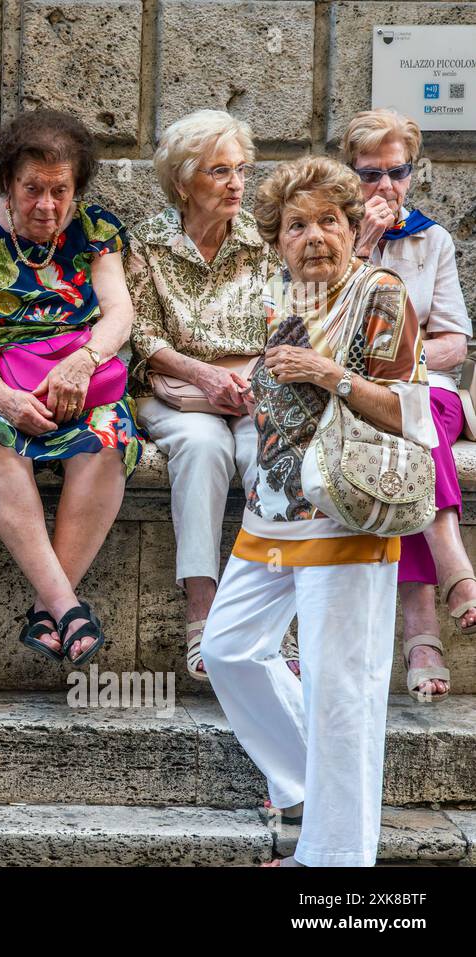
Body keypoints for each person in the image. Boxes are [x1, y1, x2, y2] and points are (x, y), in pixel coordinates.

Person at [201, 156, 436, 867]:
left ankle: (332, 864)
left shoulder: (381, 294)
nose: (313, 237)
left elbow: (418, 413)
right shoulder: (274, 295)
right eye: (296, 225)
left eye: (328, 220)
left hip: (348, 512)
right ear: (276, 239)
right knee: (227, 647)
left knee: (344, 690)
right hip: (270, 512)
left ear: (348, 224)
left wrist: (332, 375)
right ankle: (314, 777)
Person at [0, 108, 143, 668]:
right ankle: (67, 607)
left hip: (82, 376)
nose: (47, 206)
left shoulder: (97, 229)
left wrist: (84, 362)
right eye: (33, 190)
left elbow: (119, 312)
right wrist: (2, 399)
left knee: (108, 439)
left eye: (61, 191)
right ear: (8, 182)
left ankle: (47, 607)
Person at [127, 109, 281, 680]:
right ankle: (202, 611)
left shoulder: (262, 242)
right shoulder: (147, 242)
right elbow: (141, 335)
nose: (237, 183)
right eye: (219, 171)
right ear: (183, 182)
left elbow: (286, 323)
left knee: (263, 453)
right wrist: (202, 375)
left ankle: (267, 618)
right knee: (202, 448)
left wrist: (250, 380)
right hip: (175, 392)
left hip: (250, 387)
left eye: (241, 169)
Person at [343, 108, 475, 702]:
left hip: (426, 390)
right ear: (349, 177)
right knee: (404, 425)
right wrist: (364, 243)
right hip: (354, 395)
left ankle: (424, 631)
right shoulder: (327, 232)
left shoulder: (433, 239)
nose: (386, 188)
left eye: (398, 172)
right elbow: (317, 318)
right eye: (371, 175)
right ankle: (440, 595)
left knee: (418, 421)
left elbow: (455, 340)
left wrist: (403, 356)